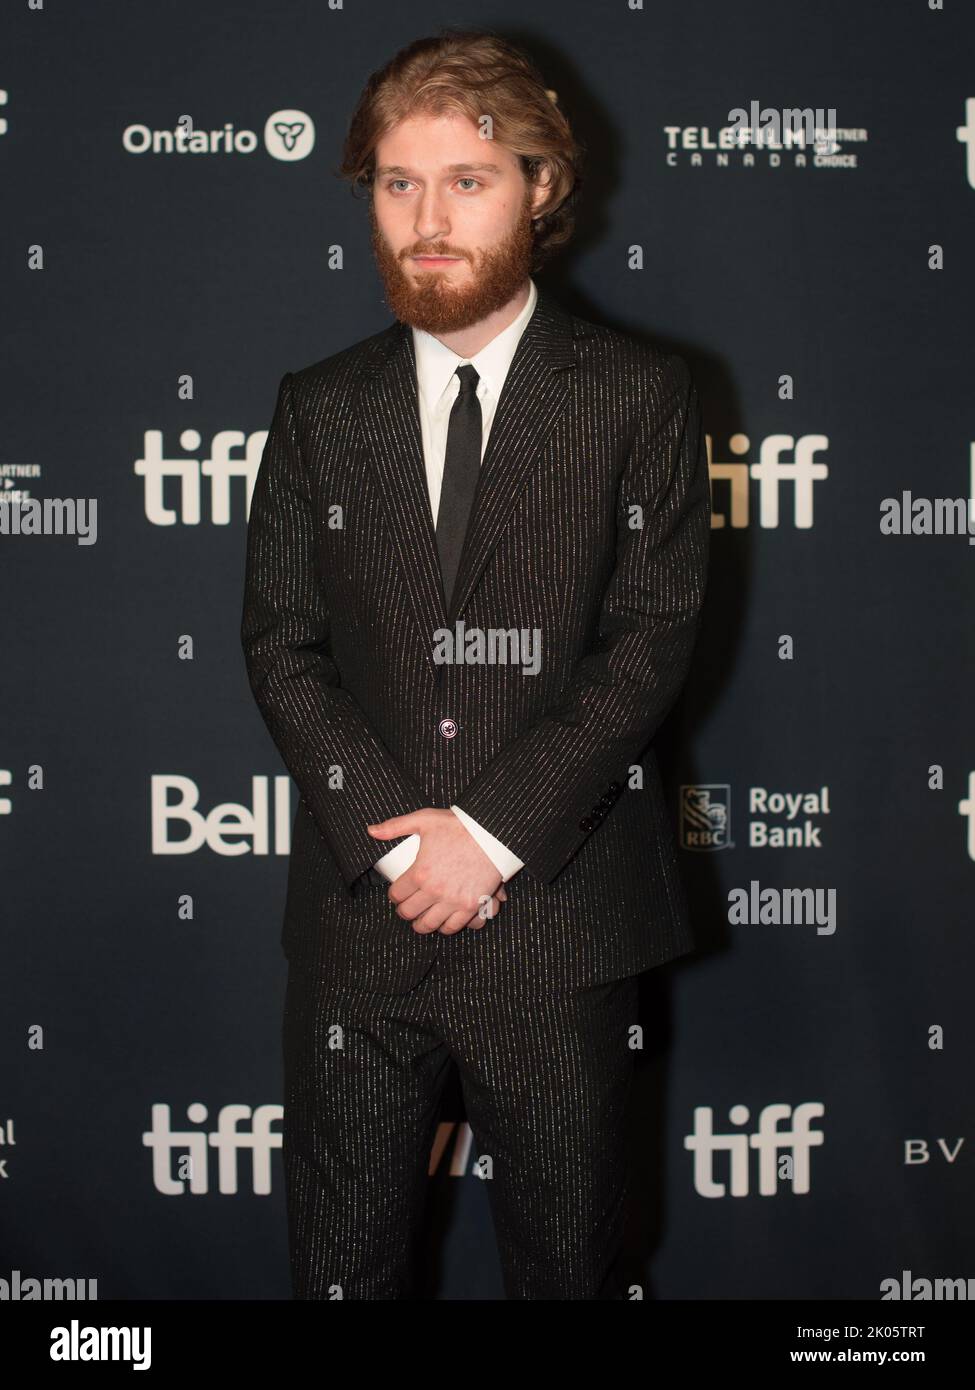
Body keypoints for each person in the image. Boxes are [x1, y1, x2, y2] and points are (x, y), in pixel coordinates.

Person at [240, 28, 711, 1300]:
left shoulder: (638, 399)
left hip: (557, 921)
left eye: (469, 179)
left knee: (570, 1270)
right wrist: (402, 848)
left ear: (542, 188)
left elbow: (650, 642)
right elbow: (280, 645)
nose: (428, 219)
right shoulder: (319, 408)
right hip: (363, 923)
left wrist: (490, 833)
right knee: (340, 1273)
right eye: (400, 183)